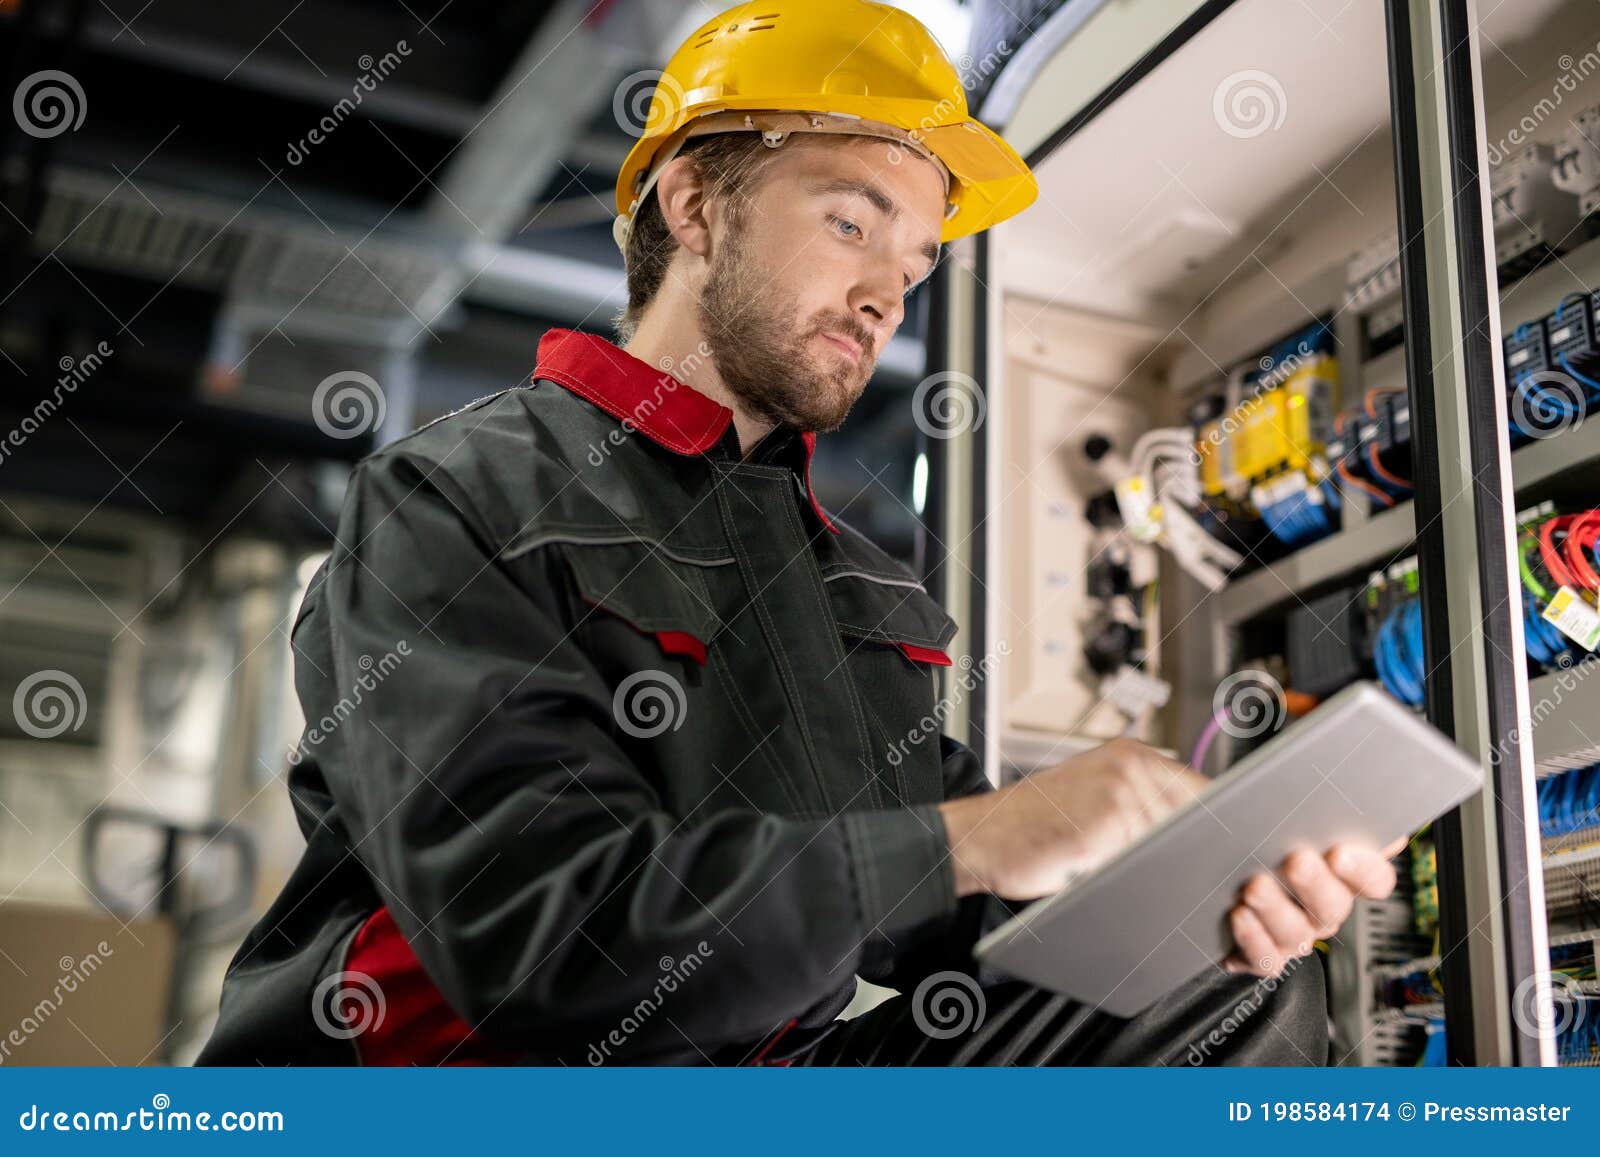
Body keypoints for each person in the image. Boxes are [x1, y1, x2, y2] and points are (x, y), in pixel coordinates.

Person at [196, 0, 1403, 1067]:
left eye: (916, 258)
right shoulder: (459, 494)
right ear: (694, 204)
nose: (889, 289)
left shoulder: (852, 588)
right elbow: (532, 937)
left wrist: (1194, 893)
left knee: (1221, 996)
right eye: (848, 223)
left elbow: (962, 924)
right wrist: (974, 840)